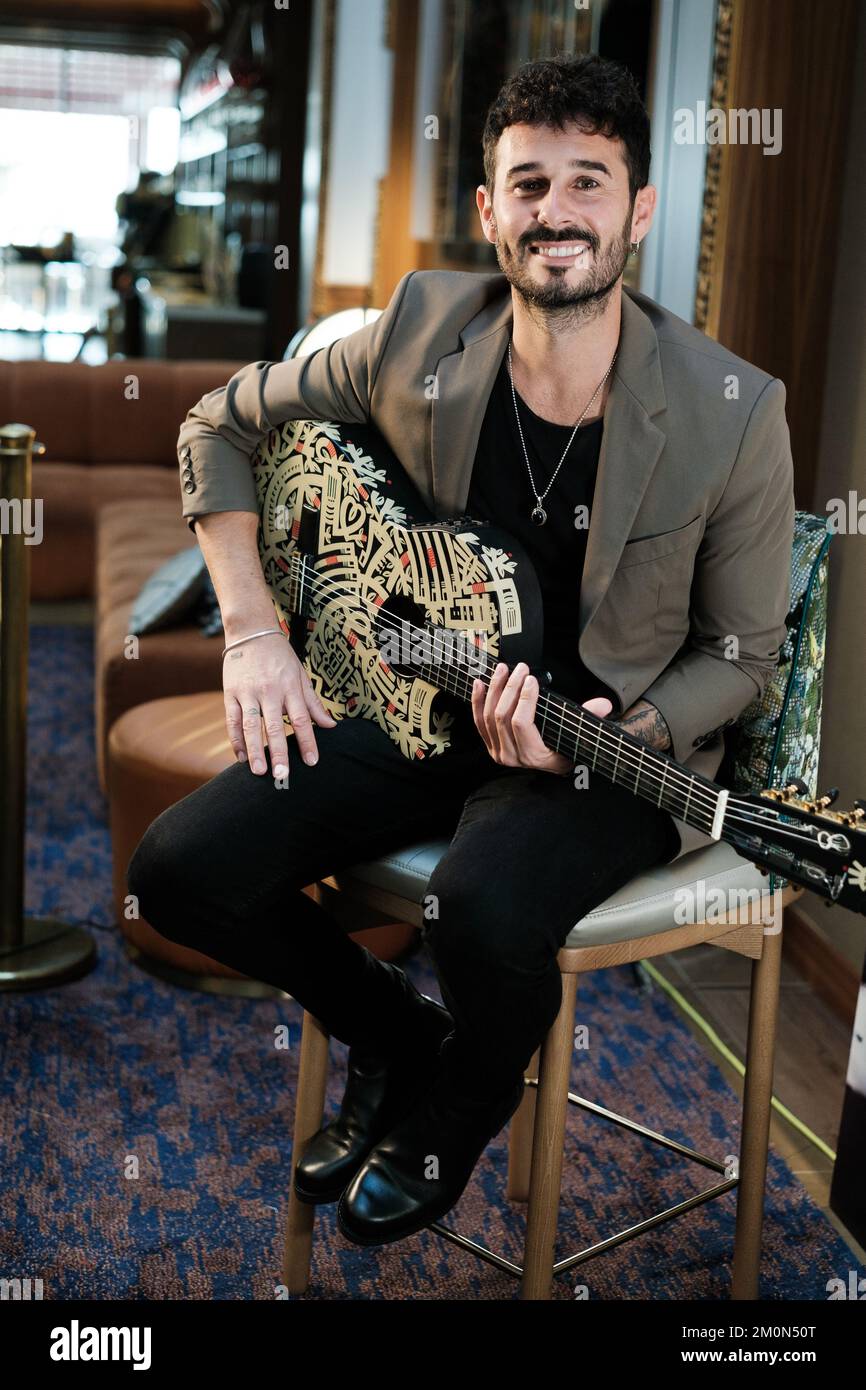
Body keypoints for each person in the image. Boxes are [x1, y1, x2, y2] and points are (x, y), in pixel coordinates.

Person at [126, 53, 794, 1250]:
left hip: (605, 747)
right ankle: (397, 1032)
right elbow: (216, 422)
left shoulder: (731, 408)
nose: (555, 211)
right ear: (488, 210)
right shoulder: (418, 334)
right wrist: (250, 632)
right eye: (526, 182)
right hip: (417, 700)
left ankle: (458, 1104)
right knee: (181, 869)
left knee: (475, 905)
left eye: (587, 182)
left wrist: (617, 731)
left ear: (636, 210)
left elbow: (744, 656)